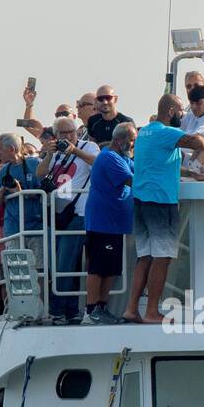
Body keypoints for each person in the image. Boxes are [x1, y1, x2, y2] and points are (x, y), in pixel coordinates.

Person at [123, 95, 204, 324]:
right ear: (172, 110)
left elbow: (162, 163)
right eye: (181, 113)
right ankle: (152, 312)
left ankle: (131, 309)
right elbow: (196, 142)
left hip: (141, 202)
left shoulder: (144, 133)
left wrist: (194, 174)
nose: (183, 116)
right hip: (160, 203)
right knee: (162, 257)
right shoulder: (166, 132)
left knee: (144, 257)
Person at [39, 117, 100, 323]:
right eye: (62, 134)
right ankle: (71, 311)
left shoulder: (88, 146)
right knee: (61, 265)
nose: (67, 137)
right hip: (56, 214)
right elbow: (39, 174)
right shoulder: (54, 153)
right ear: (55, 136)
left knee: (64, 263)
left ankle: (57, 310)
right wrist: (49, 154)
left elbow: (97, 163)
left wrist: (74, 150)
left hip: (79, 213)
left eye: (70, 132)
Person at [81, 123, 136, 325]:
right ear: (120, 140)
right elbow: (132, 180)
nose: (132, 144)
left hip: (114, 223)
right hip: (102, 222)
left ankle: (102, 307)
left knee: (111, 269)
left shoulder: (122, 157)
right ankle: (91, 311)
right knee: (97, 268)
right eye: (131, 140)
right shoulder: (109, 157)